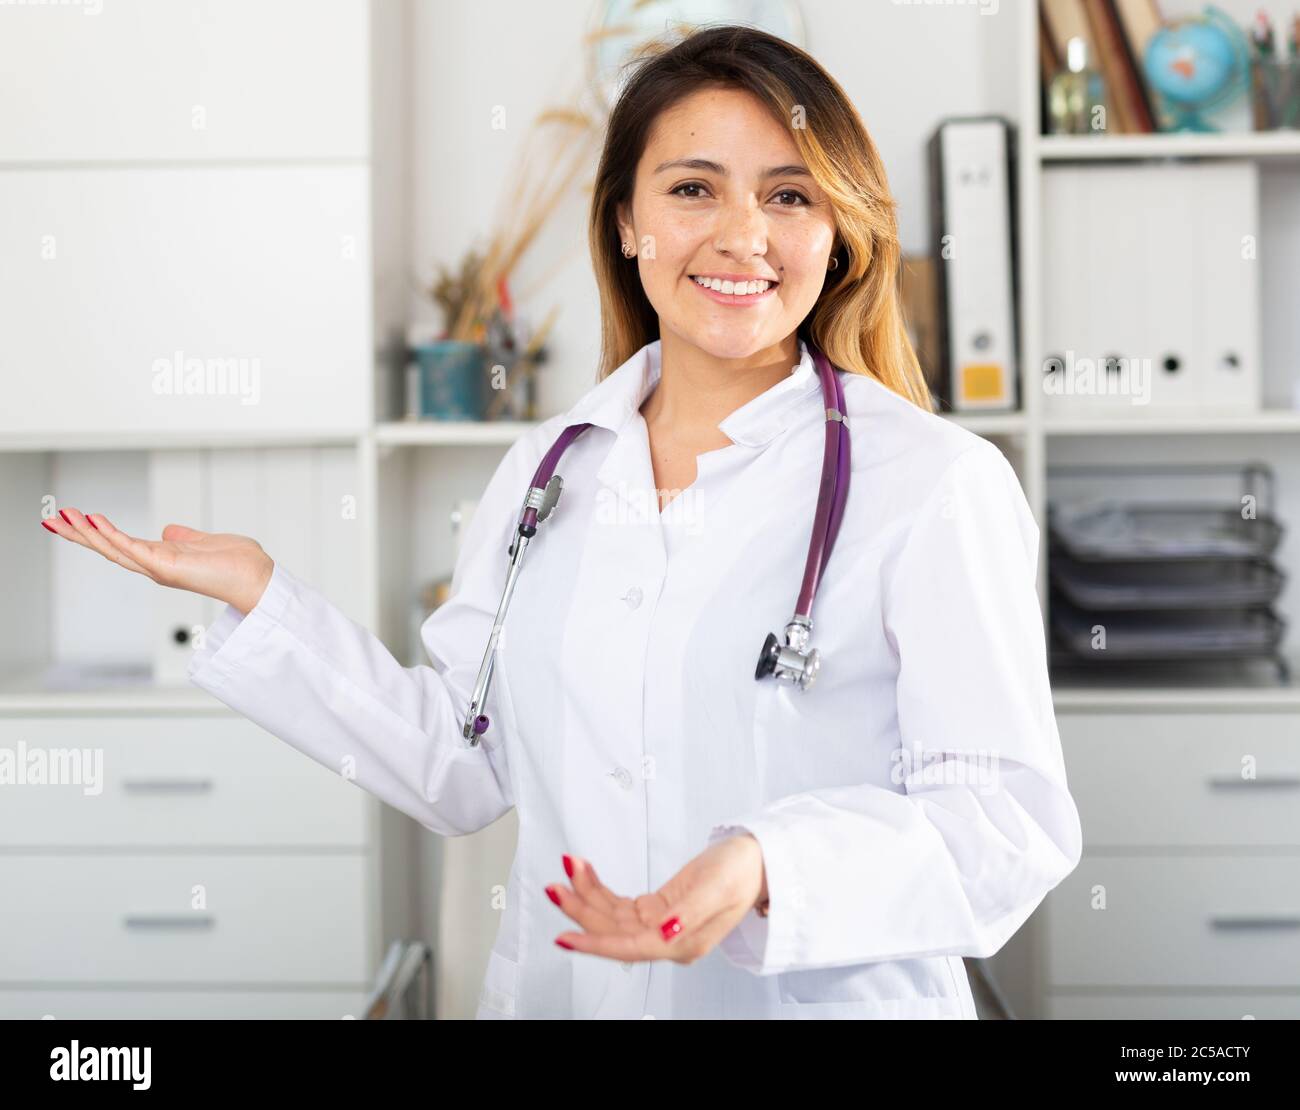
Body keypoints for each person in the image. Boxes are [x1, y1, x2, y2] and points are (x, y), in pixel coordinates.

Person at [43, 25, 1082, 1019]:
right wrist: (266, 601)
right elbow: (461, 762)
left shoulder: (935, 483)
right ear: (627, 221)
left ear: (837, 229)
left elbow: (1004, 827)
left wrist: (770, 865)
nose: (742, 236)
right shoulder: (549, 471)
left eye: (788, 195)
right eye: (691, 189)